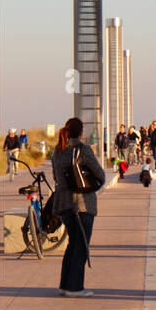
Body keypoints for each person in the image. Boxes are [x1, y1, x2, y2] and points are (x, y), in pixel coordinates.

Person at [50, 117, 105, 297]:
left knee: (73, 243)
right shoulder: (82, 150)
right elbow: (100, 174)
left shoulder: (58, 151)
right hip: (82, 204)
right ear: (81, 132)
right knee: (81, 245)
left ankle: (64, 284)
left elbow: (56, 178)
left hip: (63, 203)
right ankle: (75, 287)